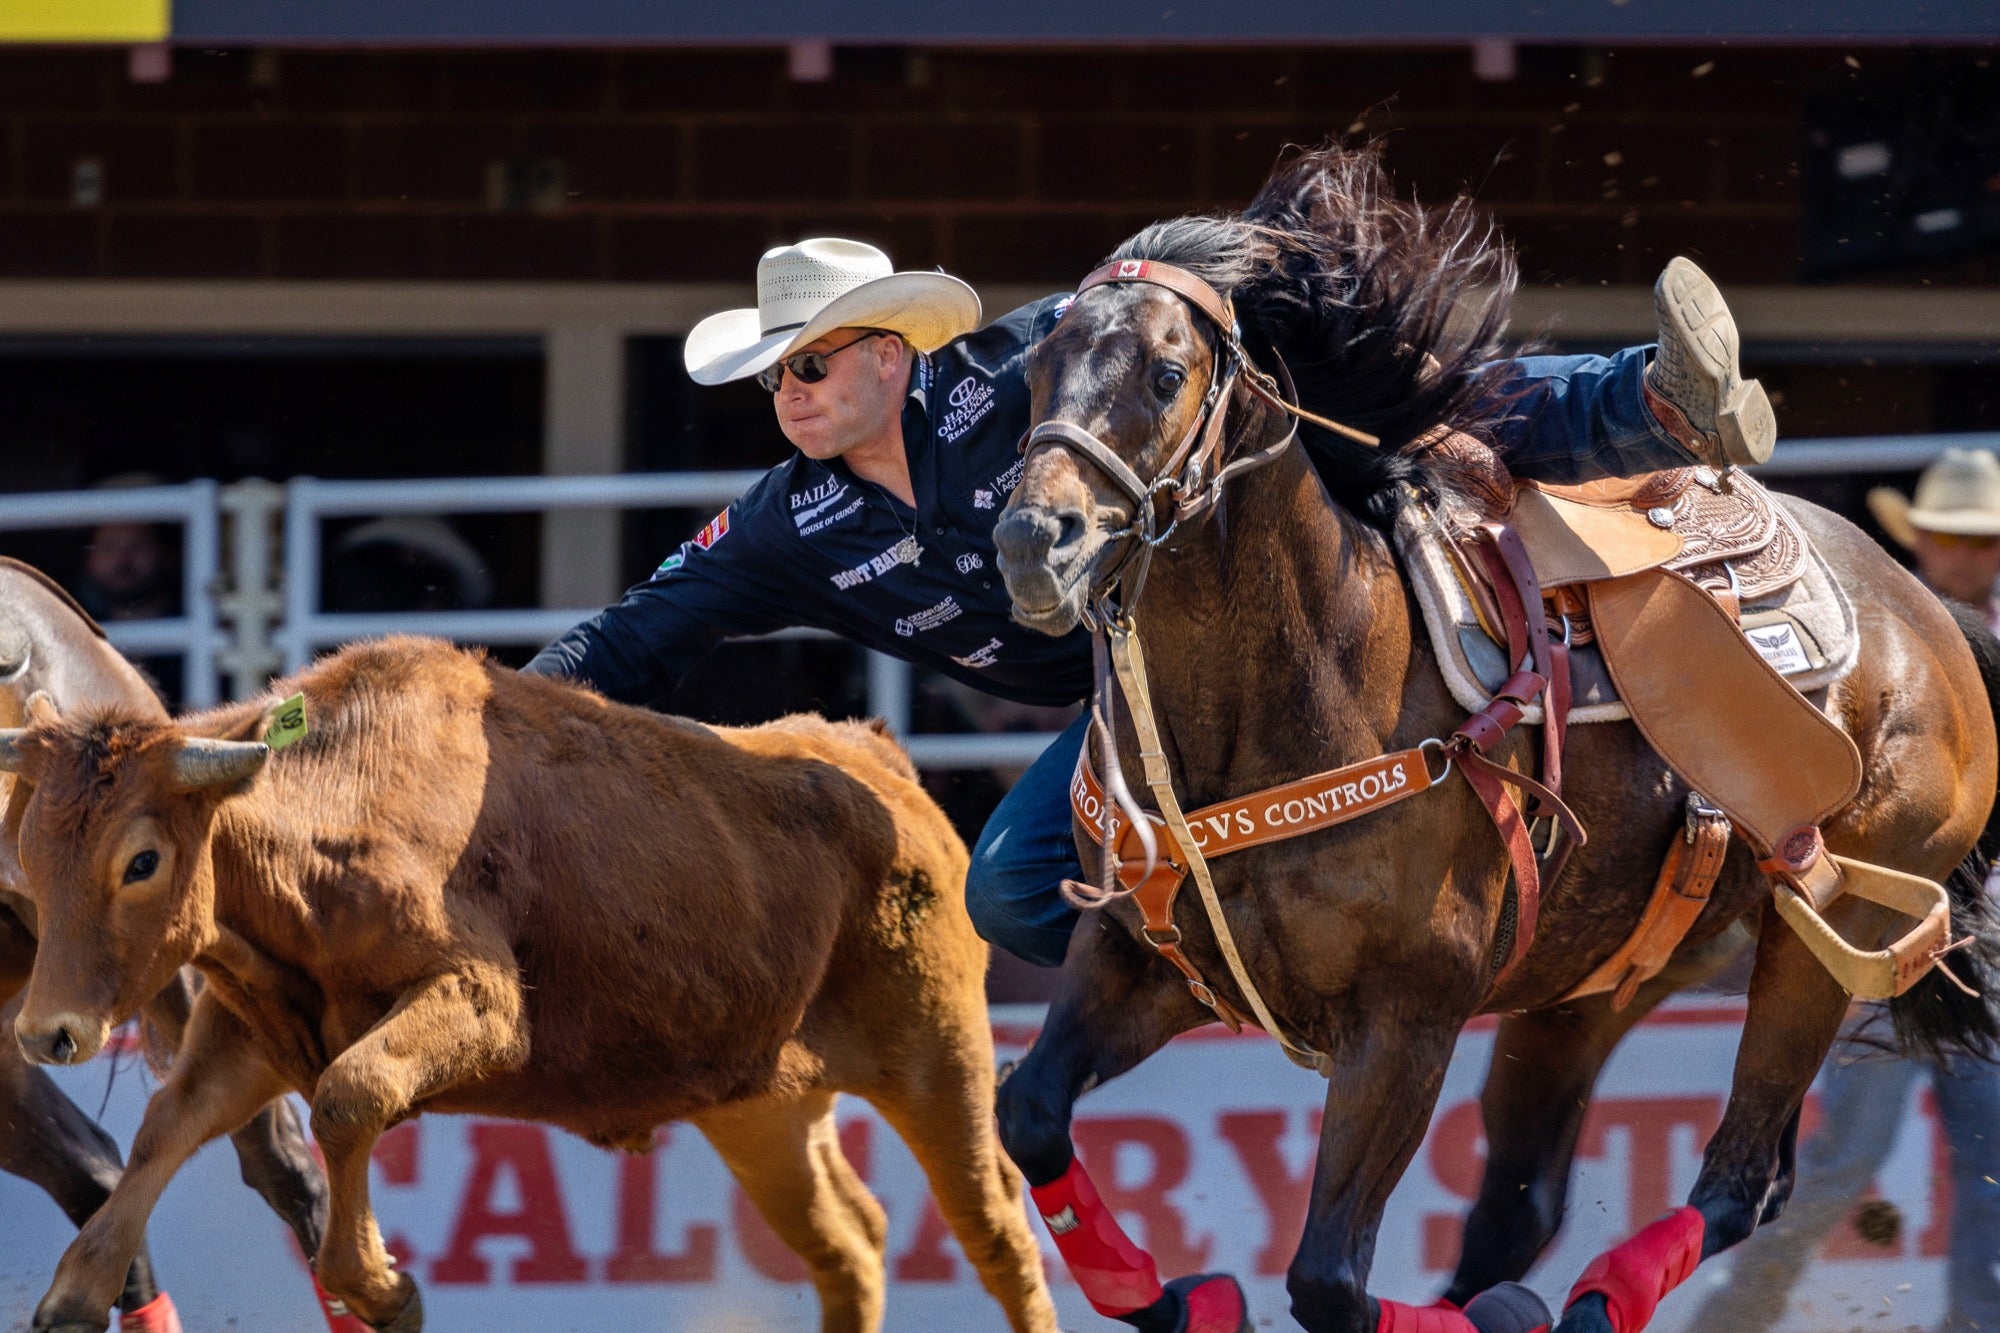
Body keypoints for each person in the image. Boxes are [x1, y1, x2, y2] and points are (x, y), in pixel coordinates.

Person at [526, 236, 1774, 972]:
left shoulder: (1028, 366)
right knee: (1009, 898)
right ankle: (1233, 970)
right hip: (1128, 712)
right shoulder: (782, 527)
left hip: (1268, 613)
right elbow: (634, 635)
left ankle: (1646, 403)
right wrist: (487, 704)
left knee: (1375, 412)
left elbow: (1175, 305)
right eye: (772, 375)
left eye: (806, 362)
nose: (787, 392)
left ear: (887, 354)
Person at [1685, 452, 2000, 1333]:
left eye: (1979, 540)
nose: (1965, 555)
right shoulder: (1877, 640)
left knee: (1987, 1170)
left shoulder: (1899, 638)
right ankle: (1732, 1323)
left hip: (1968, 940)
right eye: (1951, 537)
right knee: (1840, 1163)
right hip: (1878, 932)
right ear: (1925, 543)